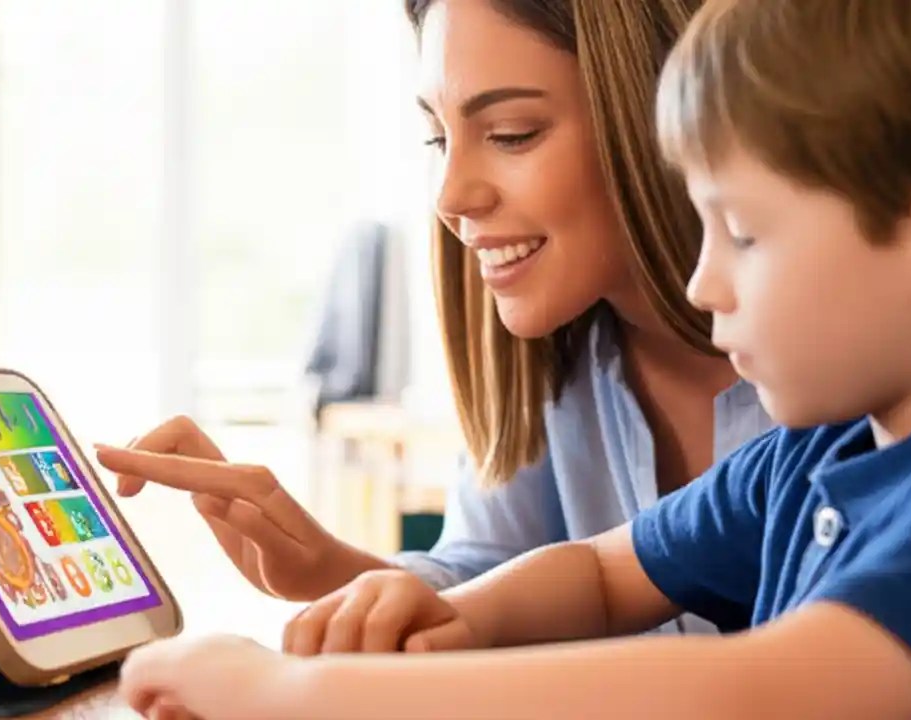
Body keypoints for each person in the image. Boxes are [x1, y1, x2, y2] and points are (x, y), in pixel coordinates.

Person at [115, 0, 911, 718]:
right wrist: (452, 620)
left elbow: (770, 689)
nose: (700, 283)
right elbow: (598, 574)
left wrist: (306, 695)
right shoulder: (819, 448)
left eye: (742, 236)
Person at [97, 0, 765, 636]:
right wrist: (329, 570)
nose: (450, 195)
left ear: (669, 117)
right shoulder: (550, 366)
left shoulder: (840, 392)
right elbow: (486, 592)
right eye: (437, 138)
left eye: (511, 135)